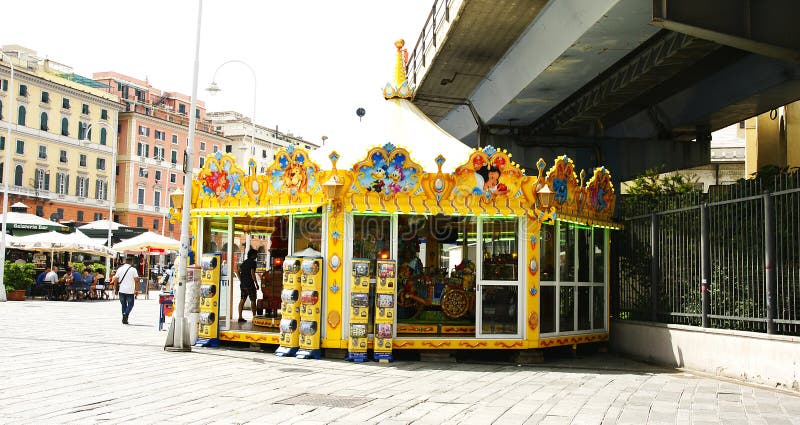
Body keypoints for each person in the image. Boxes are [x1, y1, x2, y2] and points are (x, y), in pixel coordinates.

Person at [113, 257, 139, 324]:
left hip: (121, 290)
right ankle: (126, 314)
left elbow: (115, 280)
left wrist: (115, 289)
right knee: (131, 304)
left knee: (123, 305)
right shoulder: (133, 269)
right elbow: (136, 280)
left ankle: (124, 318)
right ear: (131, 262)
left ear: (125, 261)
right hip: (130, 290)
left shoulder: (120, 269)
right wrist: (136, 290)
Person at [236, 248, 258, 323]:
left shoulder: (244, 262)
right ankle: (254, 317)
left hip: (243, 285)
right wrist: (256, 283)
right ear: (253, 255)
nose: (257, 255)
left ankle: (240, 317)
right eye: (256, 254)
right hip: (250, 284)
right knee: (253, 300)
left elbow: (237, 271)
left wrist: (241, 280)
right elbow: (252, 273)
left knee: (242, 300)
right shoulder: (253, 263)